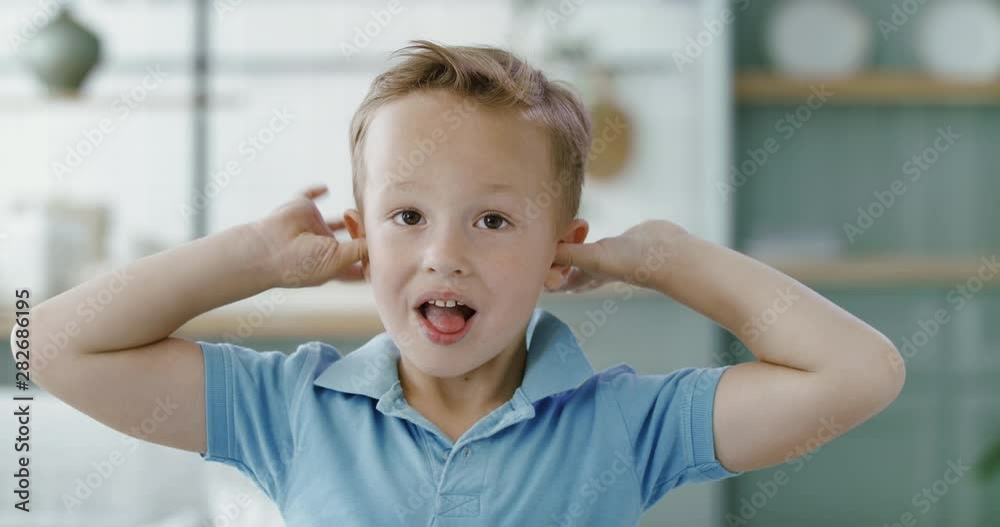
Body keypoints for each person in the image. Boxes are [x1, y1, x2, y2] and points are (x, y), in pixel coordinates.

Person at [17, 40, 905, 526]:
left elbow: (860, 373)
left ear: (561, 252)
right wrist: (246, 255)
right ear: (362, 238)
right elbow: (48, 342)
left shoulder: (626, 425)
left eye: (492, 220)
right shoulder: (291, 409)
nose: (446, 254)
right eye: (408, 216)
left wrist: (671, 259)